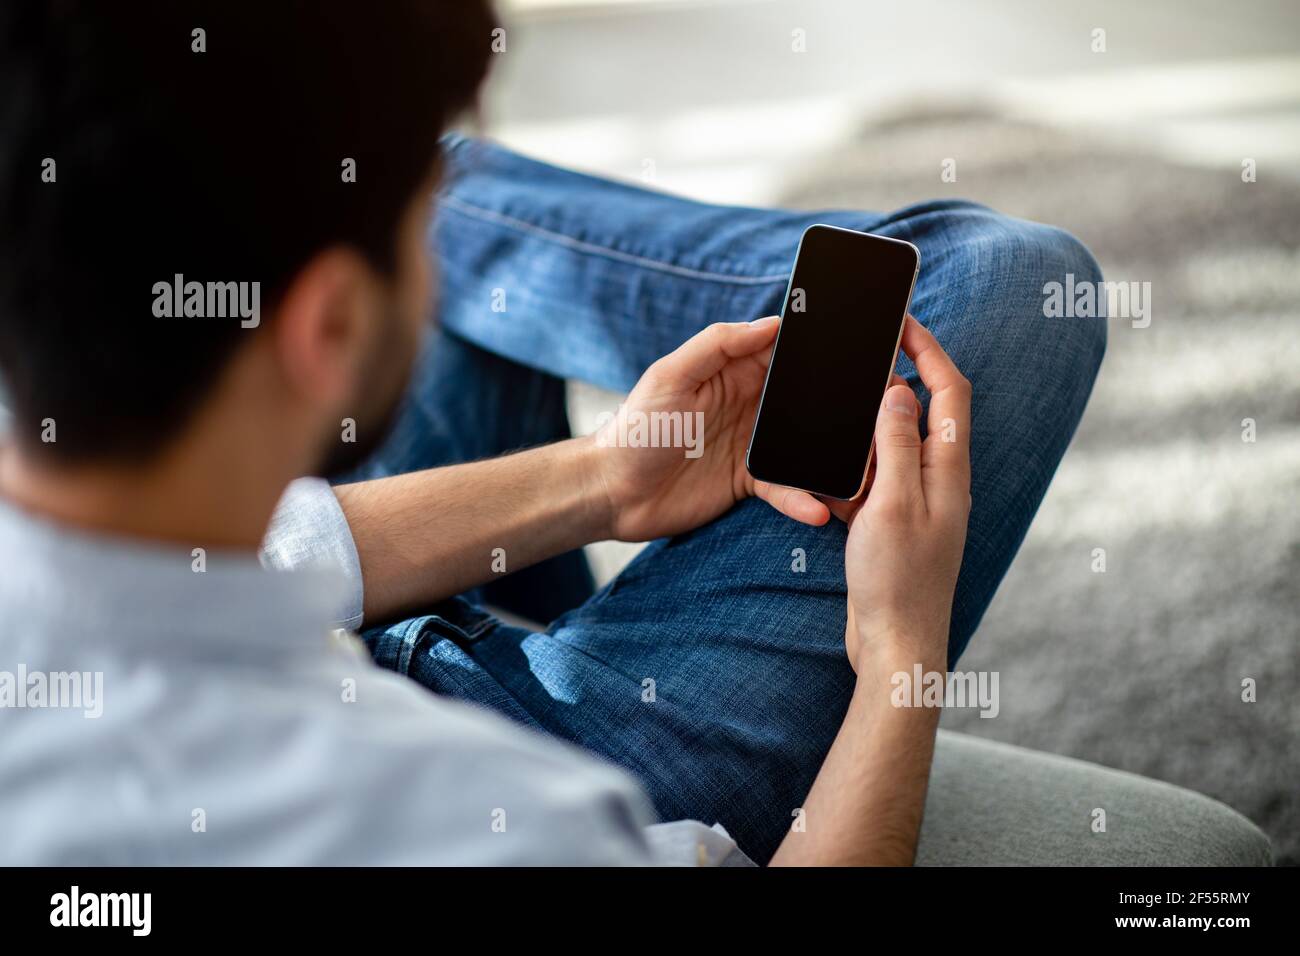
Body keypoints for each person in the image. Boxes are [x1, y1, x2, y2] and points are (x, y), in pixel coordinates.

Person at [0, 1, 1104, 865]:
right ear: (325, 329)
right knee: (1006, 279)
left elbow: (237, 565)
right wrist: (899, 654)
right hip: (517, 741)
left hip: (341, 622)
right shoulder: (528, 828)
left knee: (397, 187)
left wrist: (605, 478)